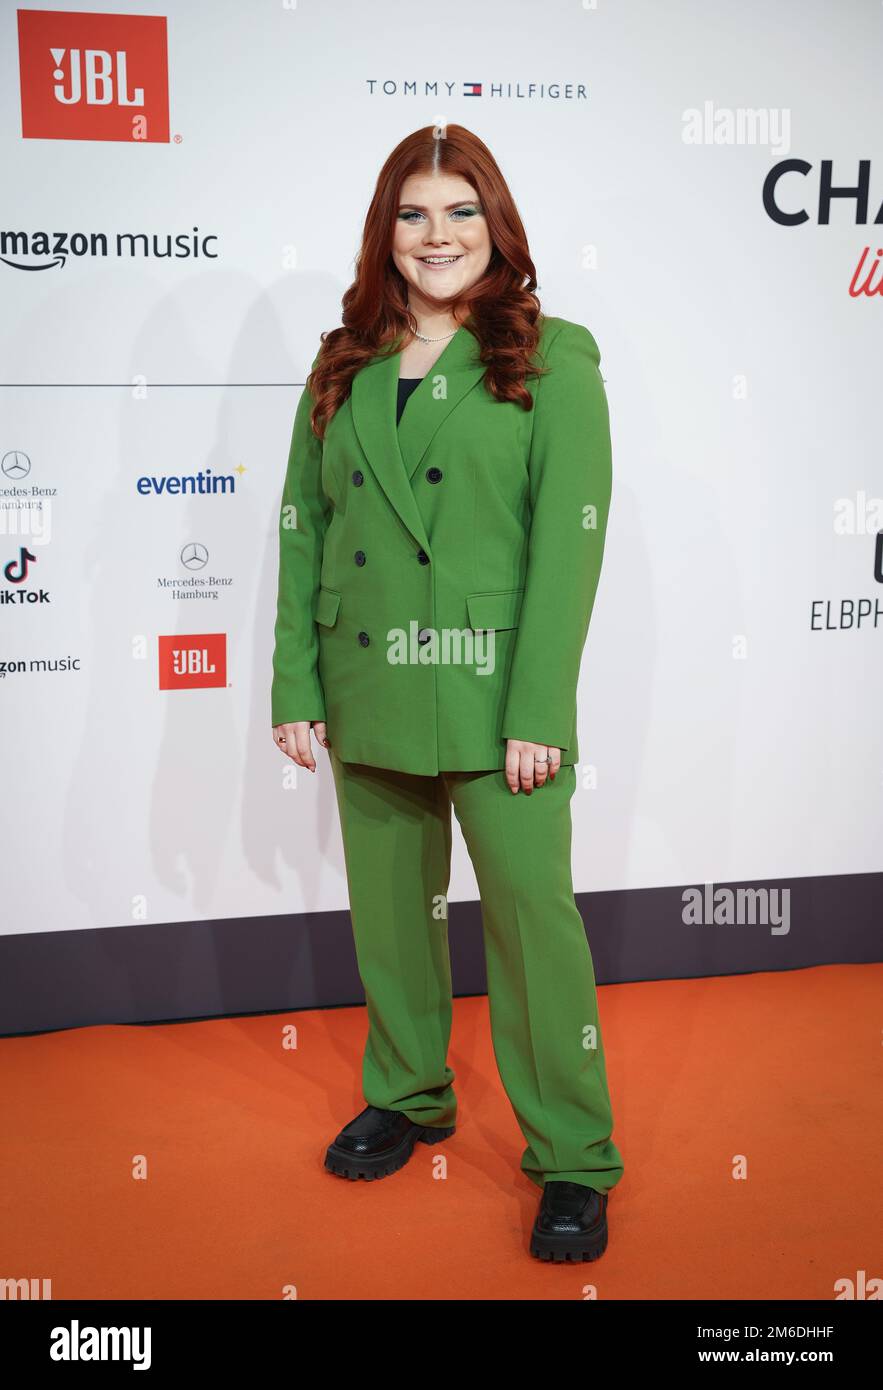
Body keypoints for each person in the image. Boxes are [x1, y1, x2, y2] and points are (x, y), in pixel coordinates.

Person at [271, 123, 623, 1262]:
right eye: (414, 213)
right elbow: (302, 532)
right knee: (392, 918)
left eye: (460, 210)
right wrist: (296, 679)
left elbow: (567, 555)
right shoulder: (340, 363)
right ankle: (410, 1092)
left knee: (532, 928)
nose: (437, 235)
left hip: (492, 698)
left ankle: (570, 1155)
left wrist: (539, 713)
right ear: (386, 231)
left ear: (495, 224)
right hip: (368, 678)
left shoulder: (555, 357)